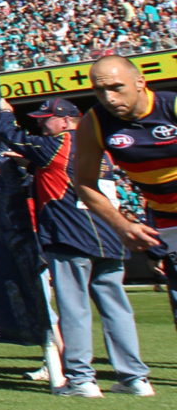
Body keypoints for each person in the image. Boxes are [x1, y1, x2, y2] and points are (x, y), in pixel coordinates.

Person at [17, 98, 154, 396]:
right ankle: (135, 378)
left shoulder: (56, 143)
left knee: (73, 308)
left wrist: (3, 112)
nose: (40, 124)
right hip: (109, 235)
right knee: (117, 308)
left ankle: (81, 379)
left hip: (71, 237)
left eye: (46, 119)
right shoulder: (100, 147)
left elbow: (12, 136)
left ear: (66, 121)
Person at [73, 57, 177, 320]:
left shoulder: (171, 106)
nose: (108, 97)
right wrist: (121, 225)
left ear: (140, 82)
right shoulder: (95, 122)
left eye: (116, 87)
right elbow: (84, 183)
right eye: (99, 90)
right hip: (168, 224)